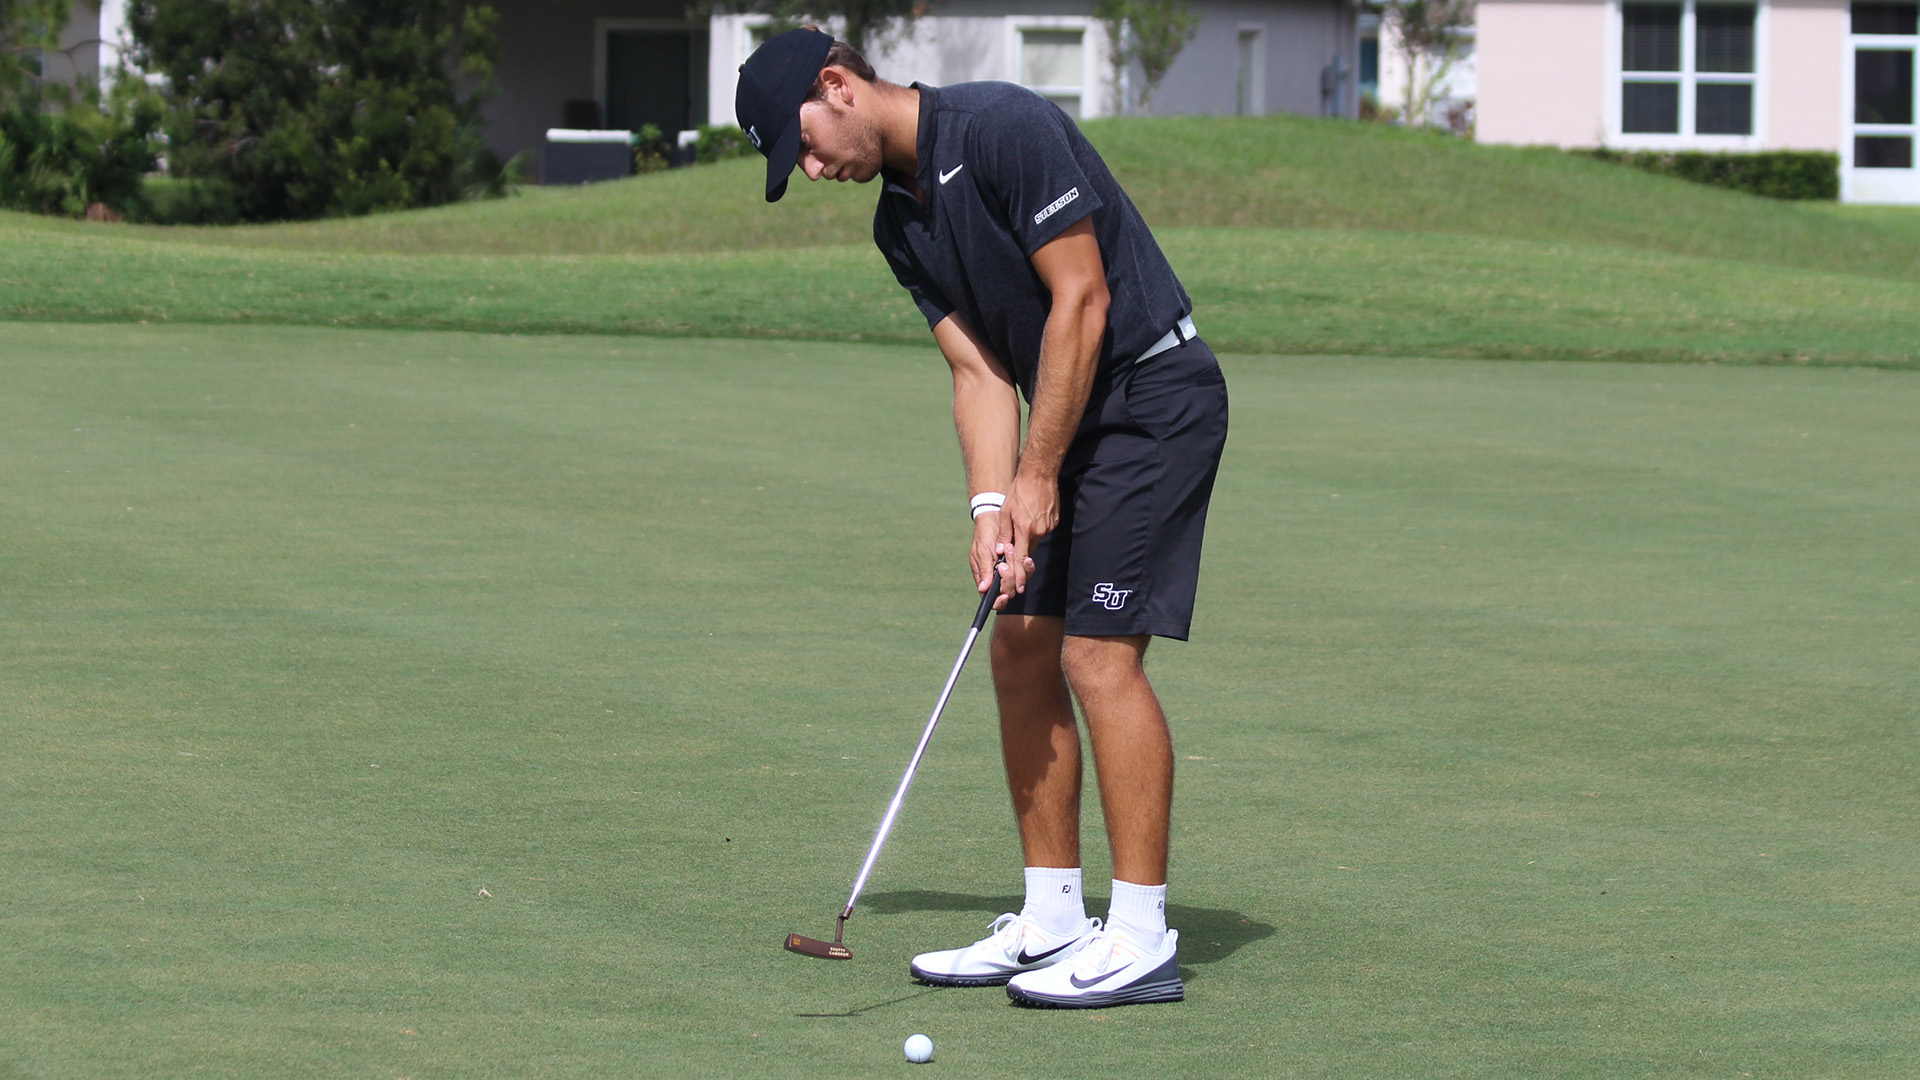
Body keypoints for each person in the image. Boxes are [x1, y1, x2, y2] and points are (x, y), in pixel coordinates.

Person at [736, 28, 1228, 1009]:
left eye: (808, 148)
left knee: (1097, 656)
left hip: (1149, 393)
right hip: (1062, 409)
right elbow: (979, 370)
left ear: (838, 86)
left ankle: (1139, 934)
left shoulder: (1004, 125)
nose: (817, 171)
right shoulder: (898, 226)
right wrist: (993, 503)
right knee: (1020, 647)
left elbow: (1080, 301)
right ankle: (1052, 915)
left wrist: (1040, 471)